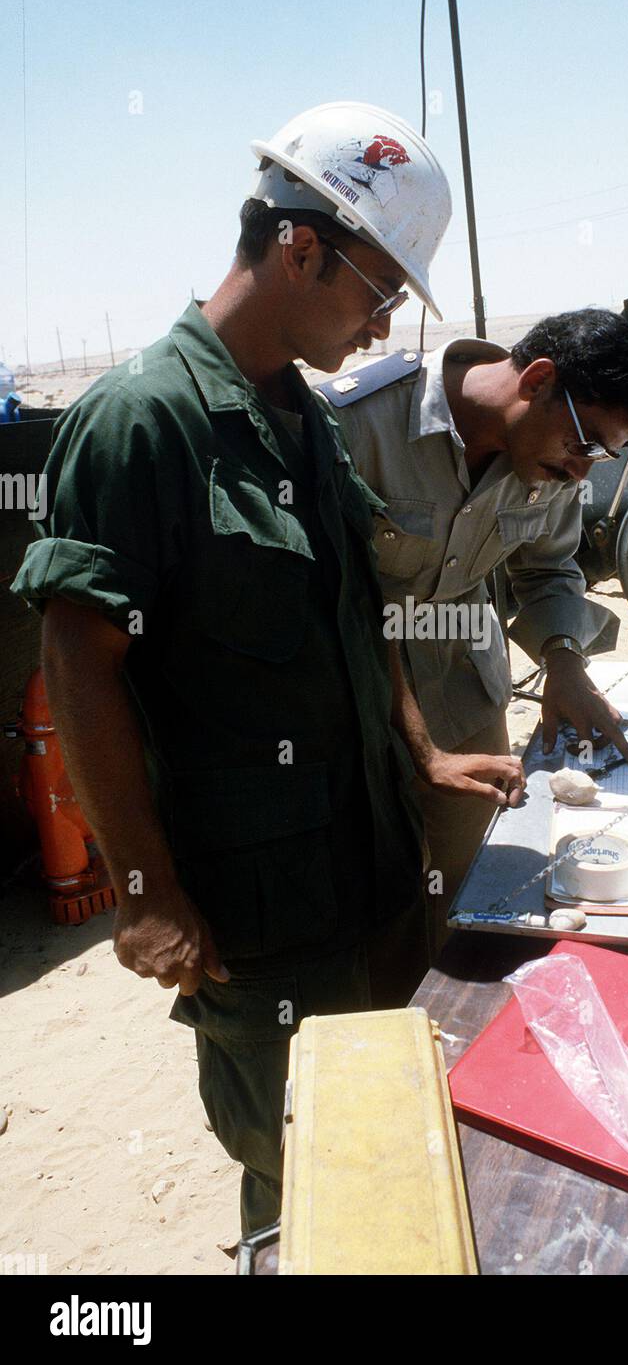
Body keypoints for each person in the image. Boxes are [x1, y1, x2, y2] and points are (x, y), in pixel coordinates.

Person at [11, 102, 525, 1236]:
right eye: (380, 291)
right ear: (301, 249)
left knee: (392, 1148)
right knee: (302, 1177)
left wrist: (421, 750)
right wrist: (142, 890)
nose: (385, 323)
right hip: (262, 915)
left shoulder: (304, 419)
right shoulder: (139, 422)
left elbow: (358, 611)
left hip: (371, 870)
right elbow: (78, 668)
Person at [321, 309, 628, 954]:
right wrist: (419, 751)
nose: (583, 472)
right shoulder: (354, 424)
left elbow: (547, 565)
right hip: (351, 706)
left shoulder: (552, 460)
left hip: (461, 694)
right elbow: (336, 605)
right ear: (536, 381)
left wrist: (565, 662)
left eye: (603, 456)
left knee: (463, 889)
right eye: (585, 443)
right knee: (366, 897)